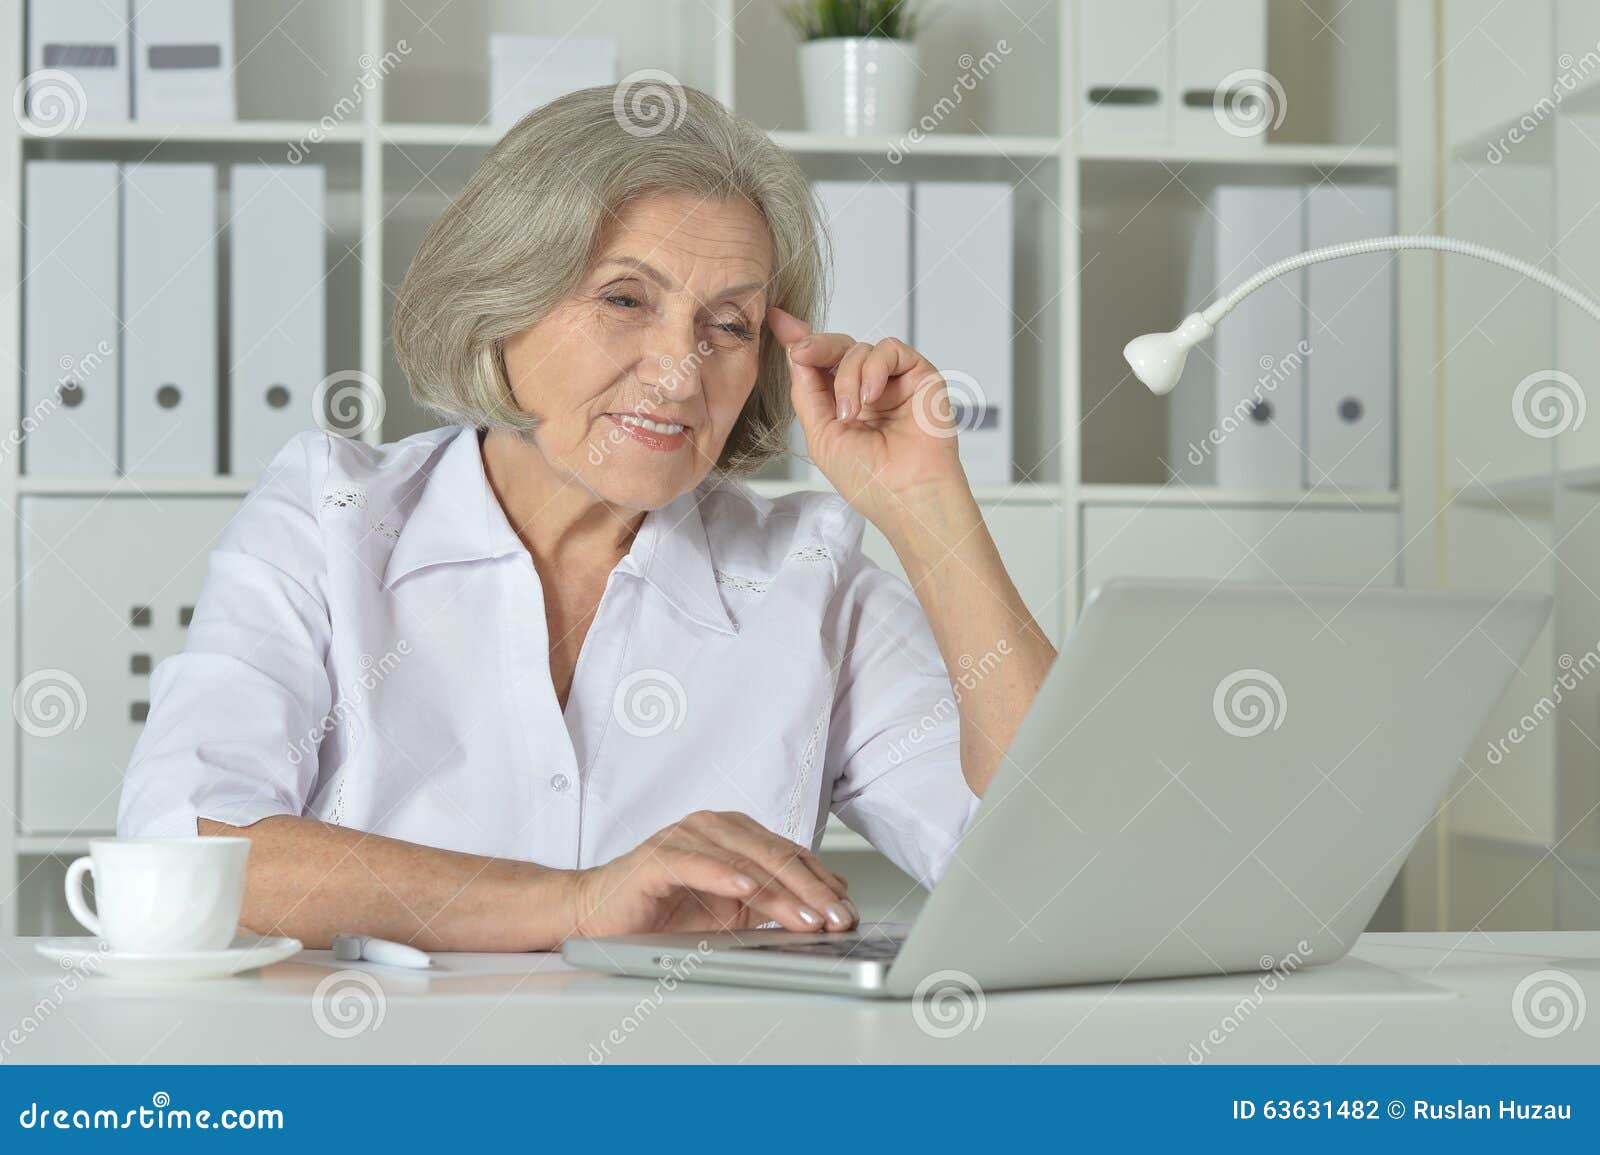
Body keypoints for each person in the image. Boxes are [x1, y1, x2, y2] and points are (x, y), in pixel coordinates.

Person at [118, 84, 1056, 951]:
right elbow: (187, 839)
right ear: (502, 298)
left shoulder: (810, 579)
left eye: (728, 326)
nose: (679, 371)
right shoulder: (332, 519)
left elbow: (1056, 869)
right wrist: (577, 902)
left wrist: (928, 506)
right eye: (624, 299)